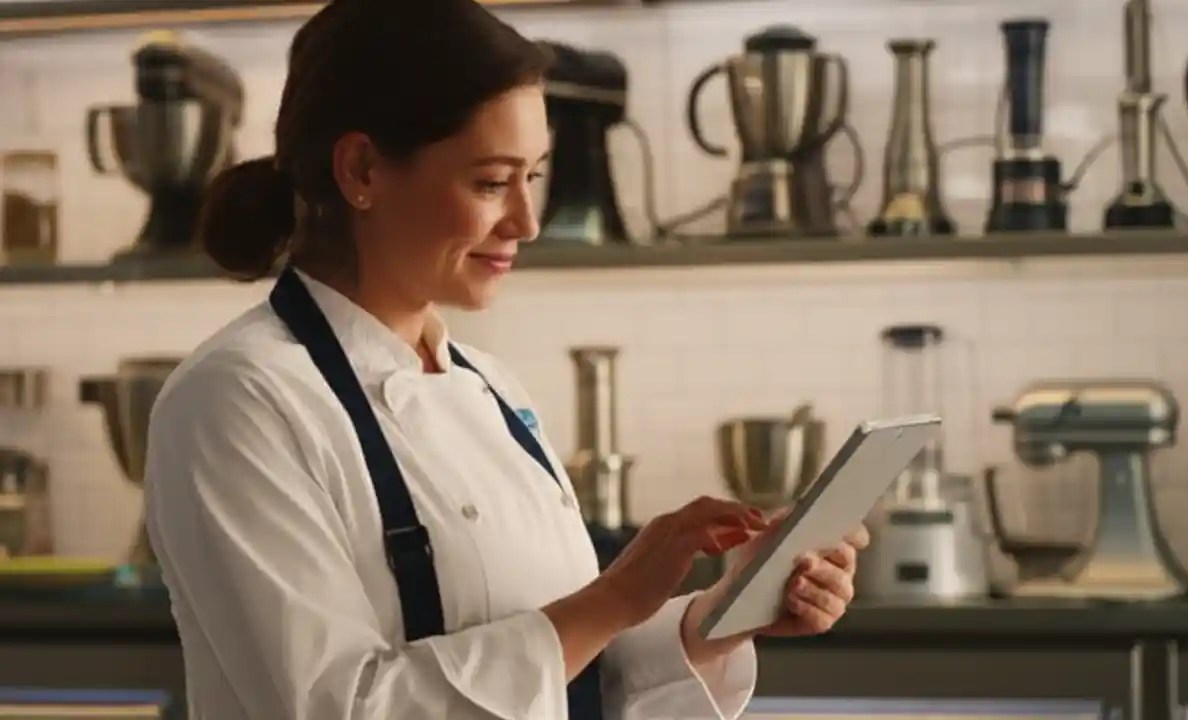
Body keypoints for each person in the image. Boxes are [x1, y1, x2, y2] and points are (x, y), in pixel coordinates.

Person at [143, 1, 869, 718]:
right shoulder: (236, 401)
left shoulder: (490, 387)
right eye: (492, 182)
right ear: (362, 169)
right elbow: (340, 705)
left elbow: (571, 677)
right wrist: (614, 596)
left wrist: (721, 616)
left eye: (535, 177)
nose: (524, 221)